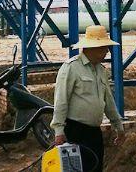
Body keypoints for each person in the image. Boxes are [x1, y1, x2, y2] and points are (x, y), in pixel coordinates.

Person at [51, 25, 125, 171]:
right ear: (92, 48)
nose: (106, 51)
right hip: (75, 131)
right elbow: (61, 101)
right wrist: (59, 131)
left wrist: (118, 125)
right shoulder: (71, 68)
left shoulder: (101, 70)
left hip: (94, 132)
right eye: (104, 48)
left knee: (96, 167)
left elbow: (108, 101)